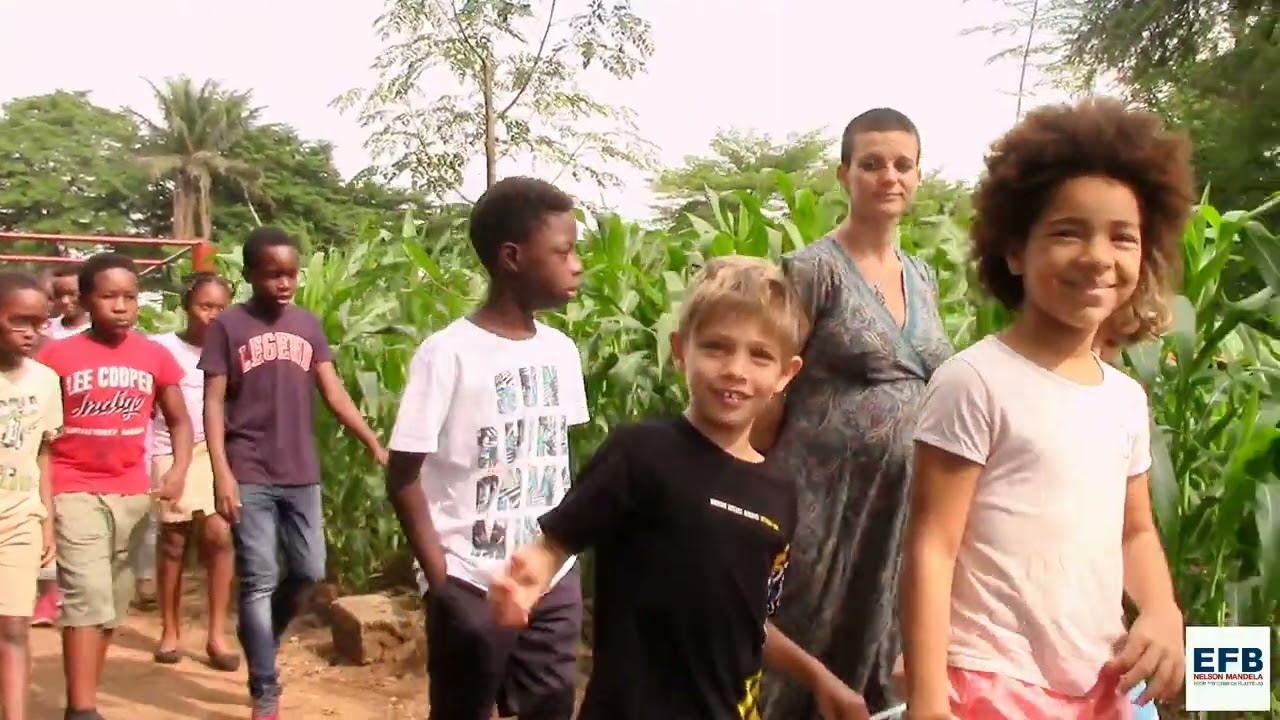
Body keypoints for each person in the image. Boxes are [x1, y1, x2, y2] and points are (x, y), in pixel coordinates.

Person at [900, 97, 1191, 720]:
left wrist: (1163, 610)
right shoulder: (975, 380)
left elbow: (1135, 530)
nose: (1097, 256)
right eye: (1067, 231)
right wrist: (927, 701)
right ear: (1014, 252)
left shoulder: (1125, 400)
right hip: (992, 680)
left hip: (1101, 682)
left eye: (1123, 237)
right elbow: (931, 546)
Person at [489, 256, 872, 720]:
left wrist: (819, 677)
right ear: (679, 350)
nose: (736, 369)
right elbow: (554, 545)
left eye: (759, 356)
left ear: (787, 374)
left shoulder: (778, 494)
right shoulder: (640, 453)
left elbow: (749, 621)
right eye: (716, 348)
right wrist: (528, 575)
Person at [751, 108, 954, 718]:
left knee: (886, 642)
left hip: (900, 503)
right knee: (808, 634)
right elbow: (770, 383)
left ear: (918, 177)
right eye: (871, 164)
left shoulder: (923, 277)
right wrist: (757, 484)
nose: (888, 176)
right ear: (844, 175)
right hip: (820, 502)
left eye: (902, 164)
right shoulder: (812, 271)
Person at [384, 177, 589, 720]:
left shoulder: (561, 353)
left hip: (550, 577)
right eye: (564, 252)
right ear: (512, 258)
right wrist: (442, 585)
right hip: (470, 580)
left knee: (550, 707)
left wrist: (559, 559)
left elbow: (553, 459)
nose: (577, 265)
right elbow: (402, 474)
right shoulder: (447, 354)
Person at [200, 226, 387, 720]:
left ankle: (260, 633)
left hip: (300, 470)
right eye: (272, 274)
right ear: (250, 275)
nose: (284, 283)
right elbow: (213, 404)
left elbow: (334, 391)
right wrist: (222, 473)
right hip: (249, 468)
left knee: (308, 571)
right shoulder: (229, 327)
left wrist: (372, 440)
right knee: (258, 579)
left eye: (291, 274)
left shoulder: (307, 324)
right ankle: (265, 687)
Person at [37, 252, 194, 720]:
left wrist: (178, 470)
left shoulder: (152, 355)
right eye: (109, 297)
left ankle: (83, 695)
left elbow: (180, 420)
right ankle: (82, 707)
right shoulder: (57, 355)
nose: (122, 307)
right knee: (87, 595)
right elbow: (38, 426)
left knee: (111, 604)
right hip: (73, 488)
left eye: (130, 297)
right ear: (86, 300)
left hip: (131, 493)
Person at [150, 273, 239, 671]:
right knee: (173, 538)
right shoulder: (163, 348)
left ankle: (217, 635)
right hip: (168, 448)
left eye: (221, 308)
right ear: (187, 305)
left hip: (213, 449)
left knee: (219, 534)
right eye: (205, 306)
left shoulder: (233, 350)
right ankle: (170, 629)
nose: (213, 316)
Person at [0, 271, 62, 720]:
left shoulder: (45, 381)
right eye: (18, 321)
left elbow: (44, 452)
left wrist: (48, 521)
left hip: (19, 518)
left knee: (15, 627)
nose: (30, 332)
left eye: (39, 323)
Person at [46, 266, 90, 339]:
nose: (65, 301)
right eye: (58, 294)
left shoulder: (98, 331)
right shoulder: (48, 329)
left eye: (73, 294)